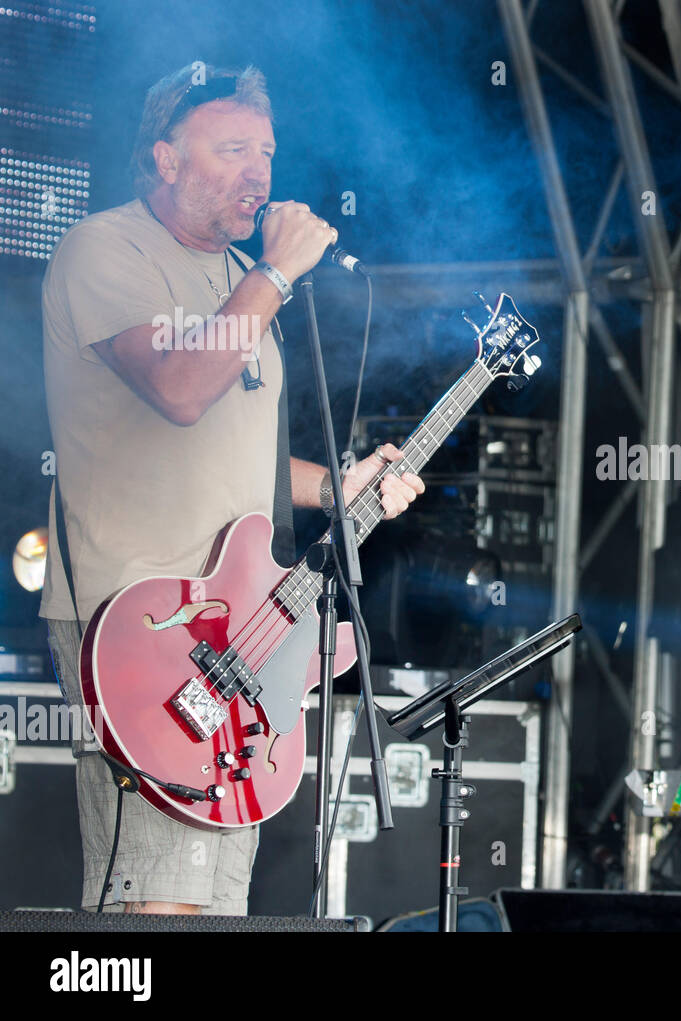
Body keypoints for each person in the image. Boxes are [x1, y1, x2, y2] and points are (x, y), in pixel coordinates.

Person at [40, 64, 425, 915]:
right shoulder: (107, 248)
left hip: (232, 622)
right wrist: (278, 275)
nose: (260, 172)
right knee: (157, 897)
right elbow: (181, 390)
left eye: (268, 152)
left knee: (213, 904)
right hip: (135, 616)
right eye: (233, 149)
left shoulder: (241, 276)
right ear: (165, 158)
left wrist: (338, 484)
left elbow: (229, 445)